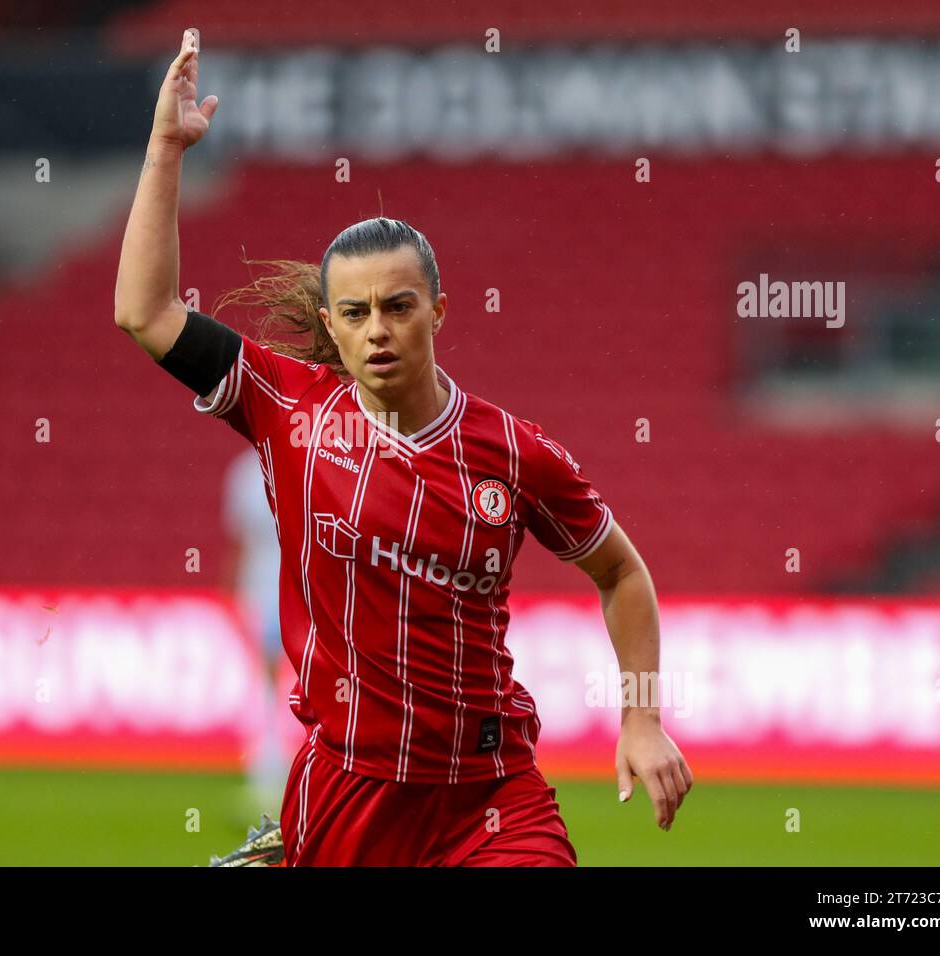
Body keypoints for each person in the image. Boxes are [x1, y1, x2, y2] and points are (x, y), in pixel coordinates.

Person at [115, 29, 692, 866]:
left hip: (491, 791)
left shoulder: (517, 455)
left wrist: (641, 716)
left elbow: (622, 573)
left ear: (440, 311)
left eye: (398, 305)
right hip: (351, 790)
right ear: (330, 327)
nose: (377, 329)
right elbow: (146, 312)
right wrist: (165, 149)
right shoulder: (288, 406)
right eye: (354, 313)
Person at [221, 447, 290, 814]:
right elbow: (240, 542)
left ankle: (281, 773)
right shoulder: (246, 472)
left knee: (281, 687)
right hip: (265, 594)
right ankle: (269, 772)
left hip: (302, 592)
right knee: (268, 687)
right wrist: (232, 596)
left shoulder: (247, 471)